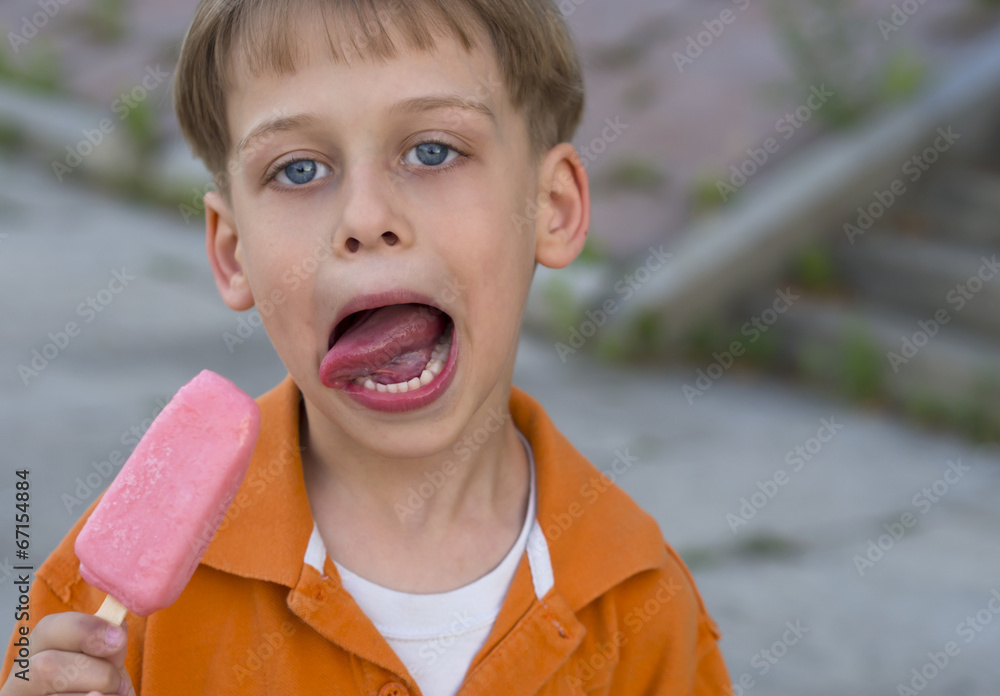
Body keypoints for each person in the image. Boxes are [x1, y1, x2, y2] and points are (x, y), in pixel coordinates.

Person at [1, 0, 730, 693]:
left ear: (554, 208)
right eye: (298, 169)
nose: (366, 216)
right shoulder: (97, 604)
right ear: (232, 253)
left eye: (434, 150)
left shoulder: (640, 605)